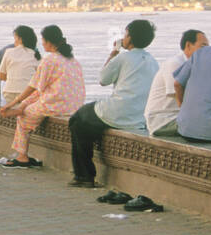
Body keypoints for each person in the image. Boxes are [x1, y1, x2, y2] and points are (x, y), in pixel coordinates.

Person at [65, 19, 159, 186]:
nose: (123, 37)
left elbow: (103, 80)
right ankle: (84, 173)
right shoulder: (153, 61)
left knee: (77, 120)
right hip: (138, 117)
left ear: (129, 38)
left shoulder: (123, 58)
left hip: (116, 111)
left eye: (125, 34)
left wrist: (113, 53)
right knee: (86, 121)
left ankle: (84, 176)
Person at [0, 25, 85, 168]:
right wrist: (21, 102)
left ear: (50, 42)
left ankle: (22, 157)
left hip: (55, 105)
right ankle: (20, 108)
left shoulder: (49, 59)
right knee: (33, 101)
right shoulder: (73, 60)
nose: (42, 43)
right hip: (74, 105)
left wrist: (16, 103)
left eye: (43, 40)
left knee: (23, 118)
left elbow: (35, 87)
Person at [144, 29, 208, 137]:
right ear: (188, 45)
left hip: (177, 118)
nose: (207, 51)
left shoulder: (193, 65)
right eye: (203, 47)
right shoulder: (175, 64)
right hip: (163, 121)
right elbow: (178, 96)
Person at [0, 25, 41, 109]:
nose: (14, 42)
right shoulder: (37, 56)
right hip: (28, 95)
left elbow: (1, 76)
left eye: (15, 39)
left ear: (20, 39)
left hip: (8, 94)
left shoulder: (8, 52)